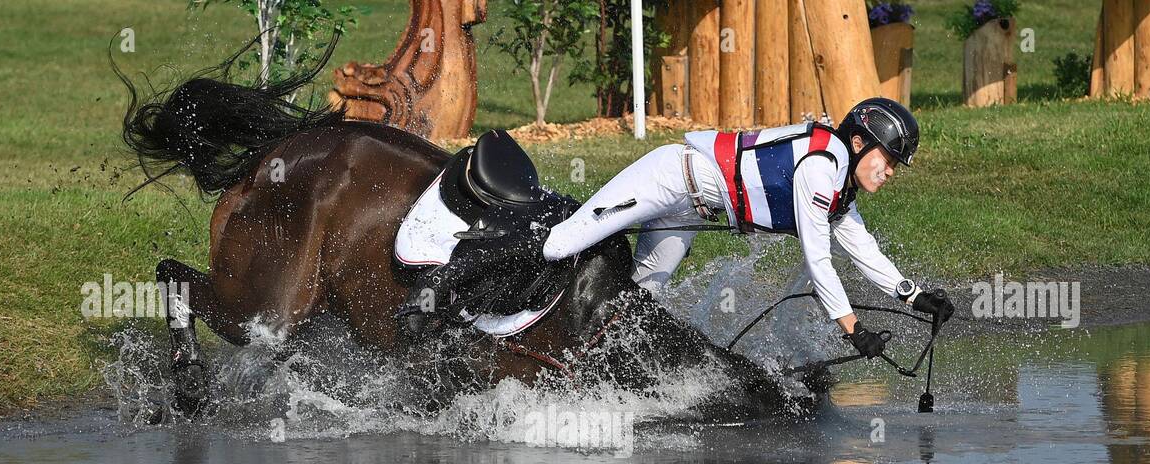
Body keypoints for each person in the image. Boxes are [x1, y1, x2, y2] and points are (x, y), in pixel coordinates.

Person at [398, 97, 954, 356]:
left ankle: (575, 372)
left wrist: (911, 294)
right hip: (669, 180)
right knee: (562, 241)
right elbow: (818, 258)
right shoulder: (820, 166)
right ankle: (446, 278)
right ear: (860, 143)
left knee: (636, 303)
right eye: (888, 159)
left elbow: (857, 242)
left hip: (690, 208)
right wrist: (851, 328)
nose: (891, 171)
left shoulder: (839, 181)